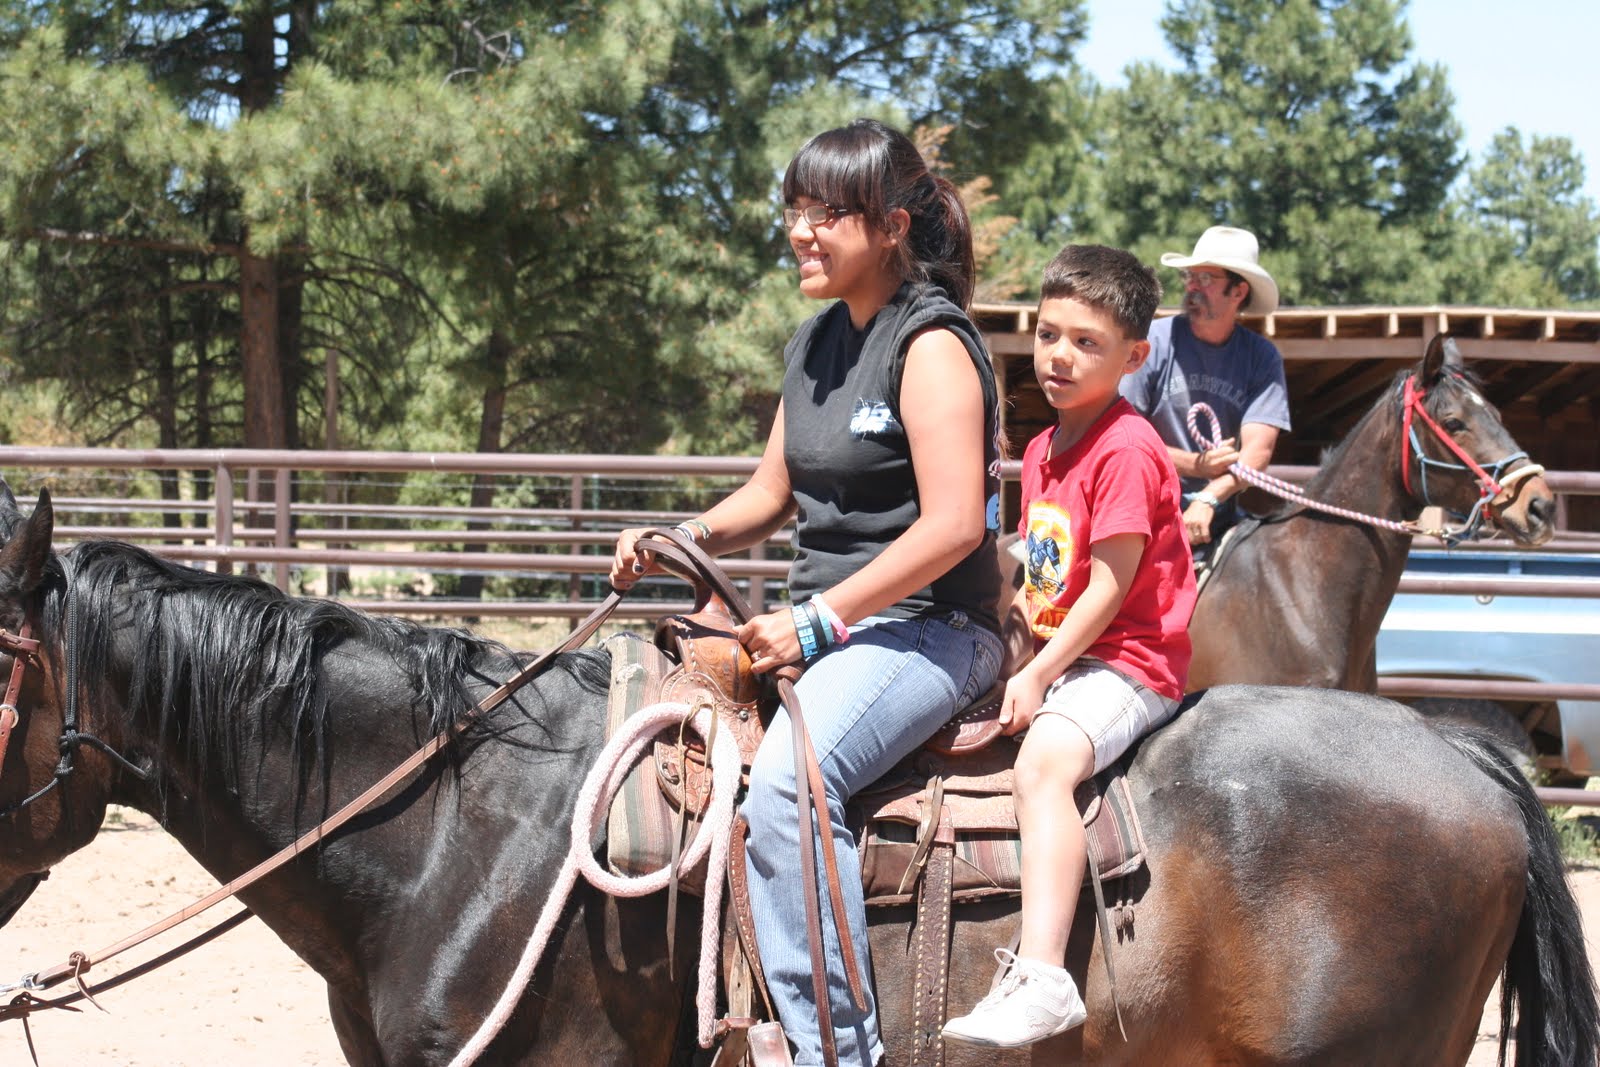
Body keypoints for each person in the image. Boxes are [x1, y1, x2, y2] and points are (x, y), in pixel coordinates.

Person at [610, 118, 1004, 1067]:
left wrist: (823, 618)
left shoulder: (931, 343)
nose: (802, 231)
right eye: (796, 209)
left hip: (933, 628)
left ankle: (838, 1050)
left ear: (893, 226)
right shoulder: (816, 339)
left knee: (791, 784)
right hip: (834, 629)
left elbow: (955, 524)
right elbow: (771, 492)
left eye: (829, 213)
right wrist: (684, 535)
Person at [941, 244, 1196, 1048]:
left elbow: (1110, 585)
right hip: (1067, 650)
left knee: (1042, 763)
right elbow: (1045, 574)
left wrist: (1044, 671)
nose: (1060, 354)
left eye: (1087, 342)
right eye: (1049, 334)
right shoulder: (1046, 447)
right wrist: (1009, 653)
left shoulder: (1124, 447)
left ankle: (1046, 974)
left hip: (1130, 660)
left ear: (1134, 355)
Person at [1117, 225, 1290, 559]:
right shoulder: (1152, 341)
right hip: (1142, 511)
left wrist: (1211, 495)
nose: (1192, 287)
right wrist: (1197, 465)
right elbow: (1122, 436)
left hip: (1218, 519)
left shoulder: (1261, 357)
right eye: (1189, 276)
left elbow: (1258, 452)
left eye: (1206, 279)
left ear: (1238, 292)